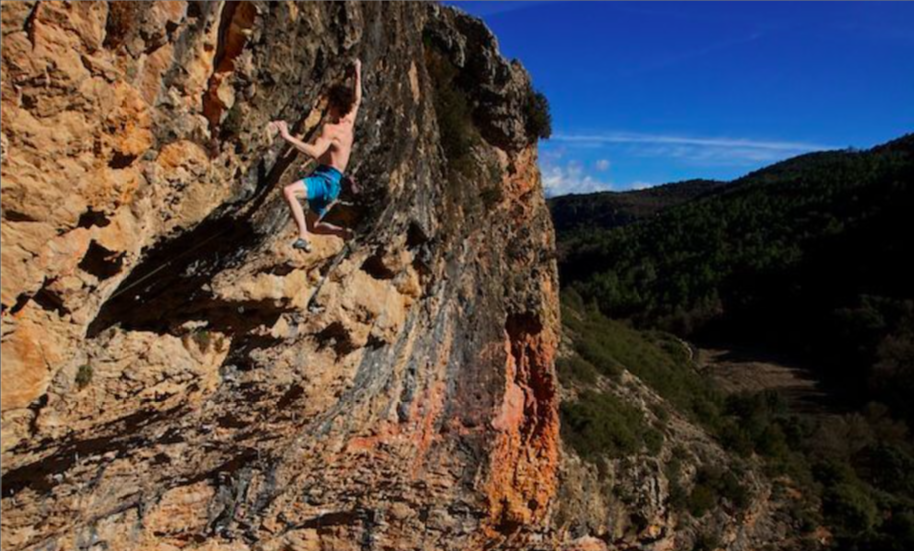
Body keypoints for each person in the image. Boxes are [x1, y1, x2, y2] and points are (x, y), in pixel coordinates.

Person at [269, 59, 362, 252]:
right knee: (314, 225)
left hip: (324, 180)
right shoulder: (349, 122)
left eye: (331, 104)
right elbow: (357, 98)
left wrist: (288, 137)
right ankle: (342, 232)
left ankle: (303, 237)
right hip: (333, 187)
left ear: (336, 105)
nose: (328, 107)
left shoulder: (331, 129)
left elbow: (315, 152)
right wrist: (357, 73)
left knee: (288, 192)